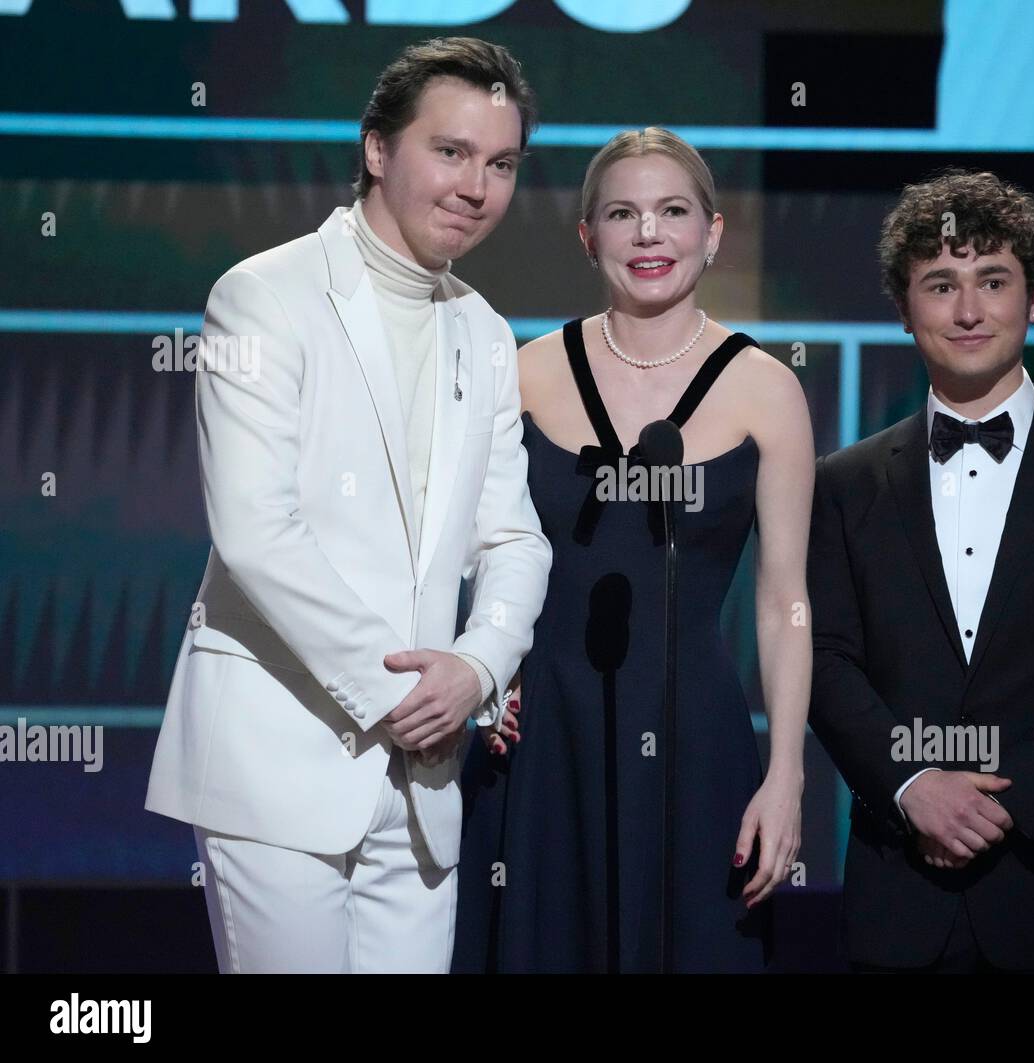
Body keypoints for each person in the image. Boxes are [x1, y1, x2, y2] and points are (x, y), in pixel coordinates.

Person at [144, 38, 552, 973]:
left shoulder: (486, 333)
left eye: (500, 165)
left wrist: (480, 668)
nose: (477, 187)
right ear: (377, 148)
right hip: (279, 755)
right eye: (450, 152)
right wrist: (406, 693)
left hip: (426, 774)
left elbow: (513, 537)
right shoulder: (264, 295)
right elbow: (255, 530)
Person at [453, 128, 813, 973]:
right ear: (589, 237)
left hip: (697, 740)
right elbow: (466, 553)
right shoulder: (525, 370)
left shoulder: (767, 387)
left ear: (712, 232)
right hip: (539, 740)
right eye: (623, 213)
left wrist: (788, 772)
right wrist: (482, 675)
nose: (649, 234)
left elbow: (783, 597)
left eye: (672, 212)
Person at [808, 169, 1034, 972]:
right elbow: (825, 656)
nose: (969, 310)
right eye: (941, 284)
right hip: (897, 893)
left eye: (993, 281)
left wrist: (1003, 807)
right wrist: (913, 788)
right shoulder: (842, 481)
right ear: (906, 312)